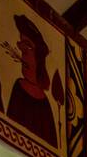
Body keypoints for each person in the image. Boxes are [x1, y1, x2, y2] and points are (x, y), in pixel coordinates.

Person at [6, 15, 56, 146]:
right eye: (23, 52)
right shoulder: (19, 87)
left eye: (28, 50)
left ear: (39, 58)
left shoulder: (45, 103)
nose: (24, 58)